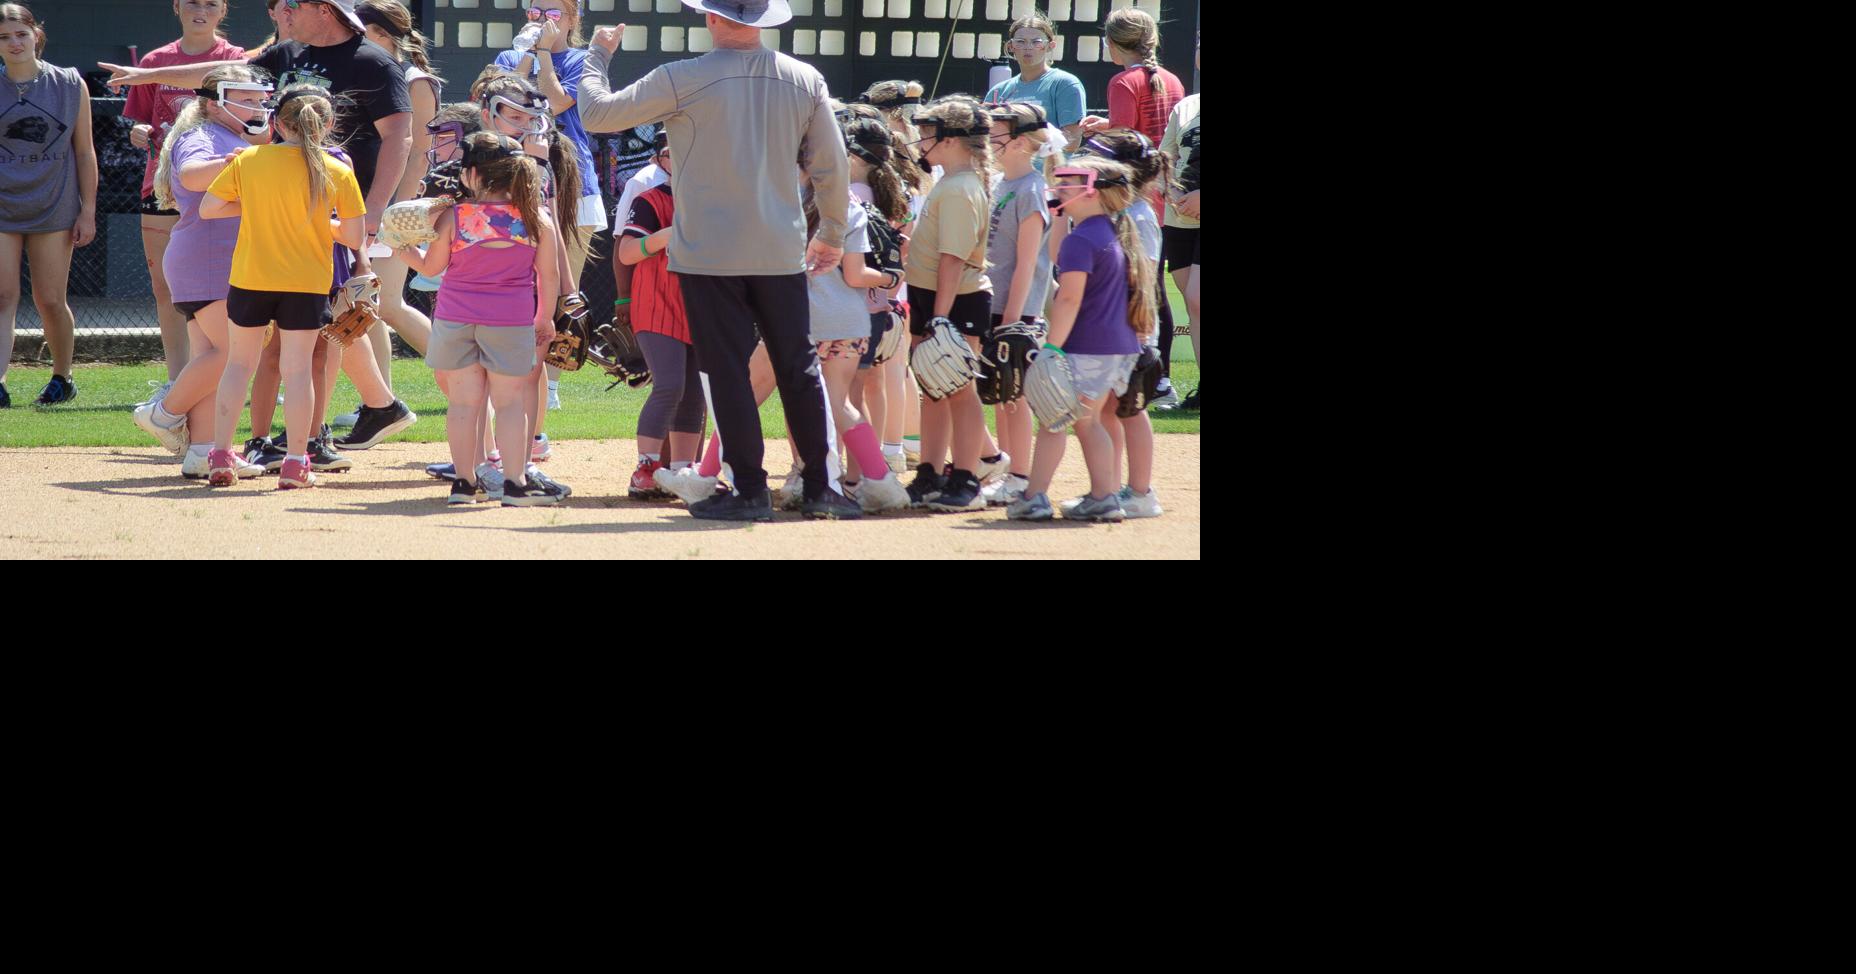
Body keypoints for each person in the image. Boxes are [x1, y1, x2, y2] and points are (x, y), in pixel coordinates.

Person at [574, 1, 861, 522]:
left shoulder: (681, 77)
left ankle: (750, 490)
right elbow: (831, 164)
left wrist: (596, 54)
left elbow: (596, 113)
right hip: (780, 247)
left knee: (726, 372)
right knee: (799, 368)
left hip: (707, 251)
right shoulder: (804, 77)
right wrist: (834, 233)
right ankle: (821, 487)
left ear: (710, 17)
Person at [200, 84, 368, 489]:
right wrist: (320, 222)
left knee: (239, 365)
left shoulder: (251, 160)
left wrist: (257, 204)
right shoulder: (338, 170)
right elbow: (355, 235)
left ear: (275, 122)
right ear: (327, 125)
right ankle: (296, 462)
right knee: (297, 372)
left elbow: (209, 209)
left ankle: (222, 456)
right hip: (306, 282)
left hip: (251, 278)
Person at [396, 132, 564, 507]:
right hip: (510, 320)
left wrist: (402, 248)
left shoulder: (457, 217)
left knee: (464, 405)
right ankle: (516, 484)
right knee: (509, 404)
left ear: (473, 175)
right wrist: (545, 318)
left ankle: (464, 484)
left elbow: (431, 266)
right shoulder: (537, 219)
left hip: (456, 319)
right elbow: (548, 277)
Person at [130, 64, 272, 481]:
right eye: (245, 99)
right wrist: (246, 160)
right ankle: (163, 412)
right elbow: (193, 175)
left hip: (212, 257)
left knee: (213, 355)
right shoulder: (203, 134)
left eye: (258, 98)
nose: (256, 106)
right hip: (207, 257)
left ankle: (203, 450)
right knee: (231, 353)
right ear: (213, 103)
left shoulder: (236, 136)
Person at [1007, 157, 1156, 523]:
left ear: (1092, 190)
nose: (1058, 190)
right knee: (1087, 423)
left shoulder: (1082, 239)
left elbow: (1069, 298)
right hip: (1113, 347)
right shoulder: (1109, 230)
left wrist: (1051, 349)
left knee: (1055, 421)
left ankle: (1035, 496)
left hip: (1088, 347)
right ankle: (1101, 497)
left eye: (1067, 183)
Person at [125, 0, 246, 396]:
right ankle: (178, 379)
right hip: (162, 186)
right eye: (192, 1)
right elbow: (141, 117)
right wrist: (140, 130)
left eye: (211, 3)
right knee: (168, 289)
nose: (201, 10)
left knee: (234, 287)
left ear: (223, 10)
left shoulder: (234, 58)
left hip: (222, 185)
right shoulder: (156, 59)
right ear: (177, 7)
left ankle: (233, 373)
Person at [901, 96, 996, 514]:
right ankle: (930, 472)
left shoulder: (960, 187)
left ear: (952, 140)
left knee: (959, 389)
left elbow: (954, 259)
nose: (921, 142)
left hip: (956, 298)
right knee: (934, 389)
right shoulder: (950, 180)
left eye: (927, 134)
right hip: (934, 295)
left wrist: (939, 317)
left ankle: (967, 477)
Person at [0, 2, 97, 410]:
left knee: (50, 299)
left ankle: (62, 377)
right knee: (3, 295)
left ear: (35, 34)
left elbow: (85, 151)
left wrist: (87, 209)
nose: (14, 43)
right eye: (4, 37)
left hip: (54, 205)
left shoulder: (70, 83)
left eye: (20, 33)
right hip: (4, 205)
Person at [351, 0, 441, 386]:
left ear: (382, 34)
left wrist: (394, 212)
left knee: (387, 304)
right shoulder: (366, 70)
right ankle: (379, 402)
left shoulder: (414, 79)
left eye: (360, 29)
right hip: (367, 204)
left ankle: (465, 376)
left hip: (396, 207)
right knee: (368, 304)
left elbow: (421, 152)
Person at [616, 132, 707, 499]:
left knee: (695, 392)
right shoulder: (650, 199)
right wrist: (661, 238)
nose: (682, 158)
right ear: (659, 161)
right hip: (657, 305)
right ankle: (647, 467)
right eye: (672, 152)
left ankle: (682, 471)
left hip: (702, 307)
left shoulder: (716, 201)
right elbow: (625, 253)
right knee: (670, 384)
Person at [981, 102, 1055, 507]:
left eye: (997, 135)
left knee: (1016, 394)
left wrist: (1012, 316)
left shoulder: (1032, 189)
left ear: (1022, 143)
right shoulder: (999, 183)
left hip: (1018, 310)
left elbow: (1028, 260)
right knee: (1000, 391)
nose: (990, 141)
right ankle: (1009, 468)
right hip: (994, 303)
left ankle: (1021, 474)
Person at [1157, 32, 1200, 411]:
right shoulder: (1186, 106)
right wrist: (1170, 192)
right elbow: (1165, 156)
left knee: (1198, 297)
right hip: (1180, 216)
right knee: (1194, 304)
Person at [983, 11, 1088, 150]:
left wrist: (1031, 153)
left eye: (1036, 42)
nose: (1028, 47)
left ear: (1050, 46)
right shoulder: (998, 91)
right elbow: (985, 139)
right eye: (1020, 42)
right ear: (1011, 46)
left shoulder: (1065, 84)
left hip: (1048, 170)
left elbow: (1072, 140)